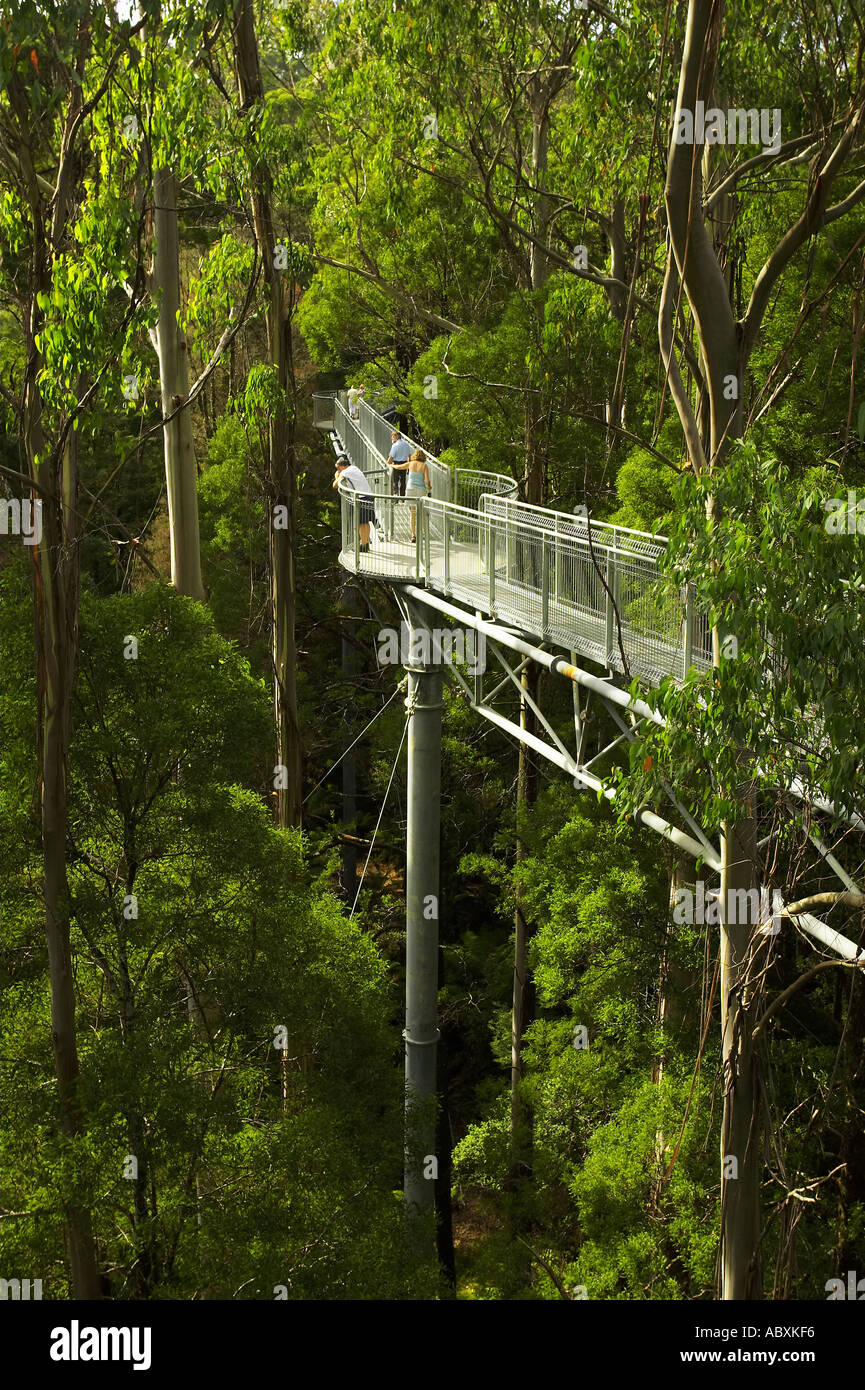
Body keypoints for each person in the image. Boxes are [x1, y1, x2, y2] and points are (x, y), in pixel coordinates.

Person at [333, 454, 376, 552]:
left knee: (361, 523)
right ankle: (365, 544)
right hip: (368, 496)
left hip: (361, 498)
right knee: (365, 522)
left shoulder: (346, 471)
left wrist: (337, 476)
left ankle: (364, 544)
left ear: (342, 466)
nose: (338, 470)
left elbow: (335, 485)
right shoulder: (354, 468)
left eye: (338, 468)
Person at [404, 448, 431, 542]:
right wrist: (429, 488)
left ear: (414, 456)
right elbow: (427, 480)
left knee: (412, 513)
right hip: (421, 490)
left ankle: (413, 535)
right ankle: (424, 533)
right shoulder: (424, 466)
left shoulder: (410, 464)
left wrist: (392, 465)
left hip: (410, 489)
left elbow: (400, 467)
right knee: (422, 512)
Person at [387, 430, 412, 496]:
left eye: (392, 436)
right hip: (404, 463)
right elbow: (409, 456)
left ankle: (396, 496)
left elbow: (391, 457)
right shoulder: (406, 444)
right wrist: (409, 466)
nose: (391, 438)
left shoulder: (395, 445)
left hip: (396, 464)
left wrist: (388, 464)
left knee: (396, 481)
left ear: (396, 436)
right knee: (403, 481)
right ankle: (403, 496)